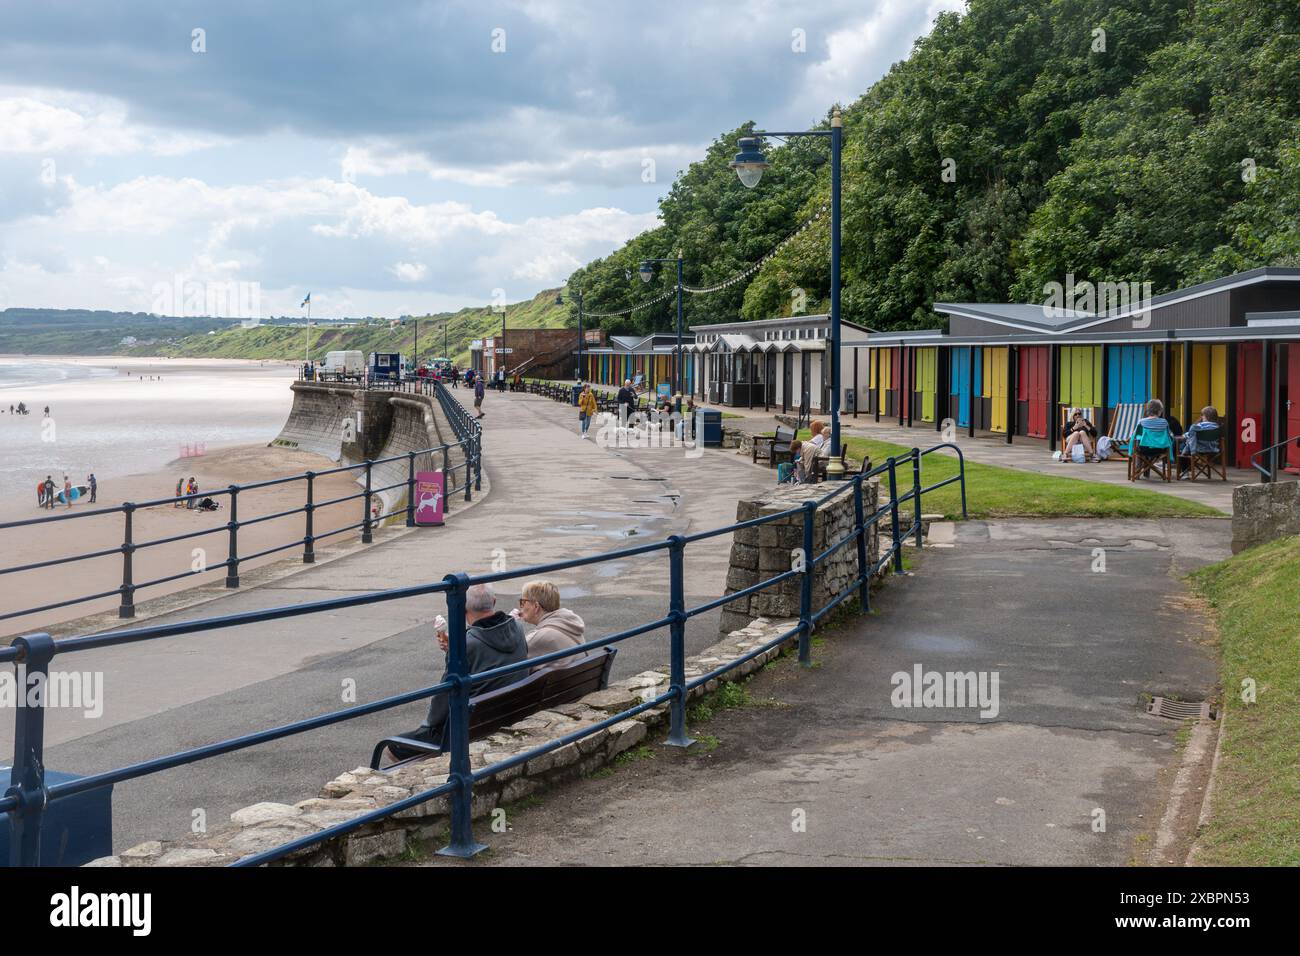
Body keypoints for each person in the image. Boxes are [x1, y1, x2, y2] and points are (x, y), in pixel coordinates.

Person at [384, 583, 527, 761]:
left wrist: (427, 726)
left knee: (393, 747)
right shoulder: (518, 629)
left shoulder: (465, 645)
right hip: (510, 711)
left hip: (467, 727)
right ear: (494, 601)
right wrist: (455, 653)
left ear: (462, 607)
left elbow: (444, 696)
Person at [515, 580, 585, 672]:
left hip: (559, 685)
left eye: (523, 602)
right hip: (579, 681)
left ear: (536, 607)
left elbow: (509, 663)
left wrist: (510, 627)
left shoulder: (540, 637)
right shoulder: (569, 623)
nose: (521, 607)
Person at [1131, 399, 1174, 476]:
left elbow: (1135, 436)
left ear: (1148, 410)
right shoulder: (1164, 422)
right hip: (1161, 449)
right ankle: (1161, 475)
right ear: (1160, 411)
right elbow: (1169, 436)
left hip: (1144, 449)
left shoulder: (1142, 422)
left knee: (1138, 444)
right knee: (1143, 444)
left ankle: (1137, 472)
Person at [1178, 406, 1222, 479]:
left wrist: (1184, 435)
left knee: (1182, 448)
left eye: (1202, 415)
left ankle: (1185, 473)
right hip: (1213, 449)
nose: (1202, 417)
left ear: (1205, 416)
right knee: (1187, 446)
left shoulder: (1200, 426)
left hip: (1197, 450)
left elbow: (1189, 435)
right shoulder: (1217, 427)